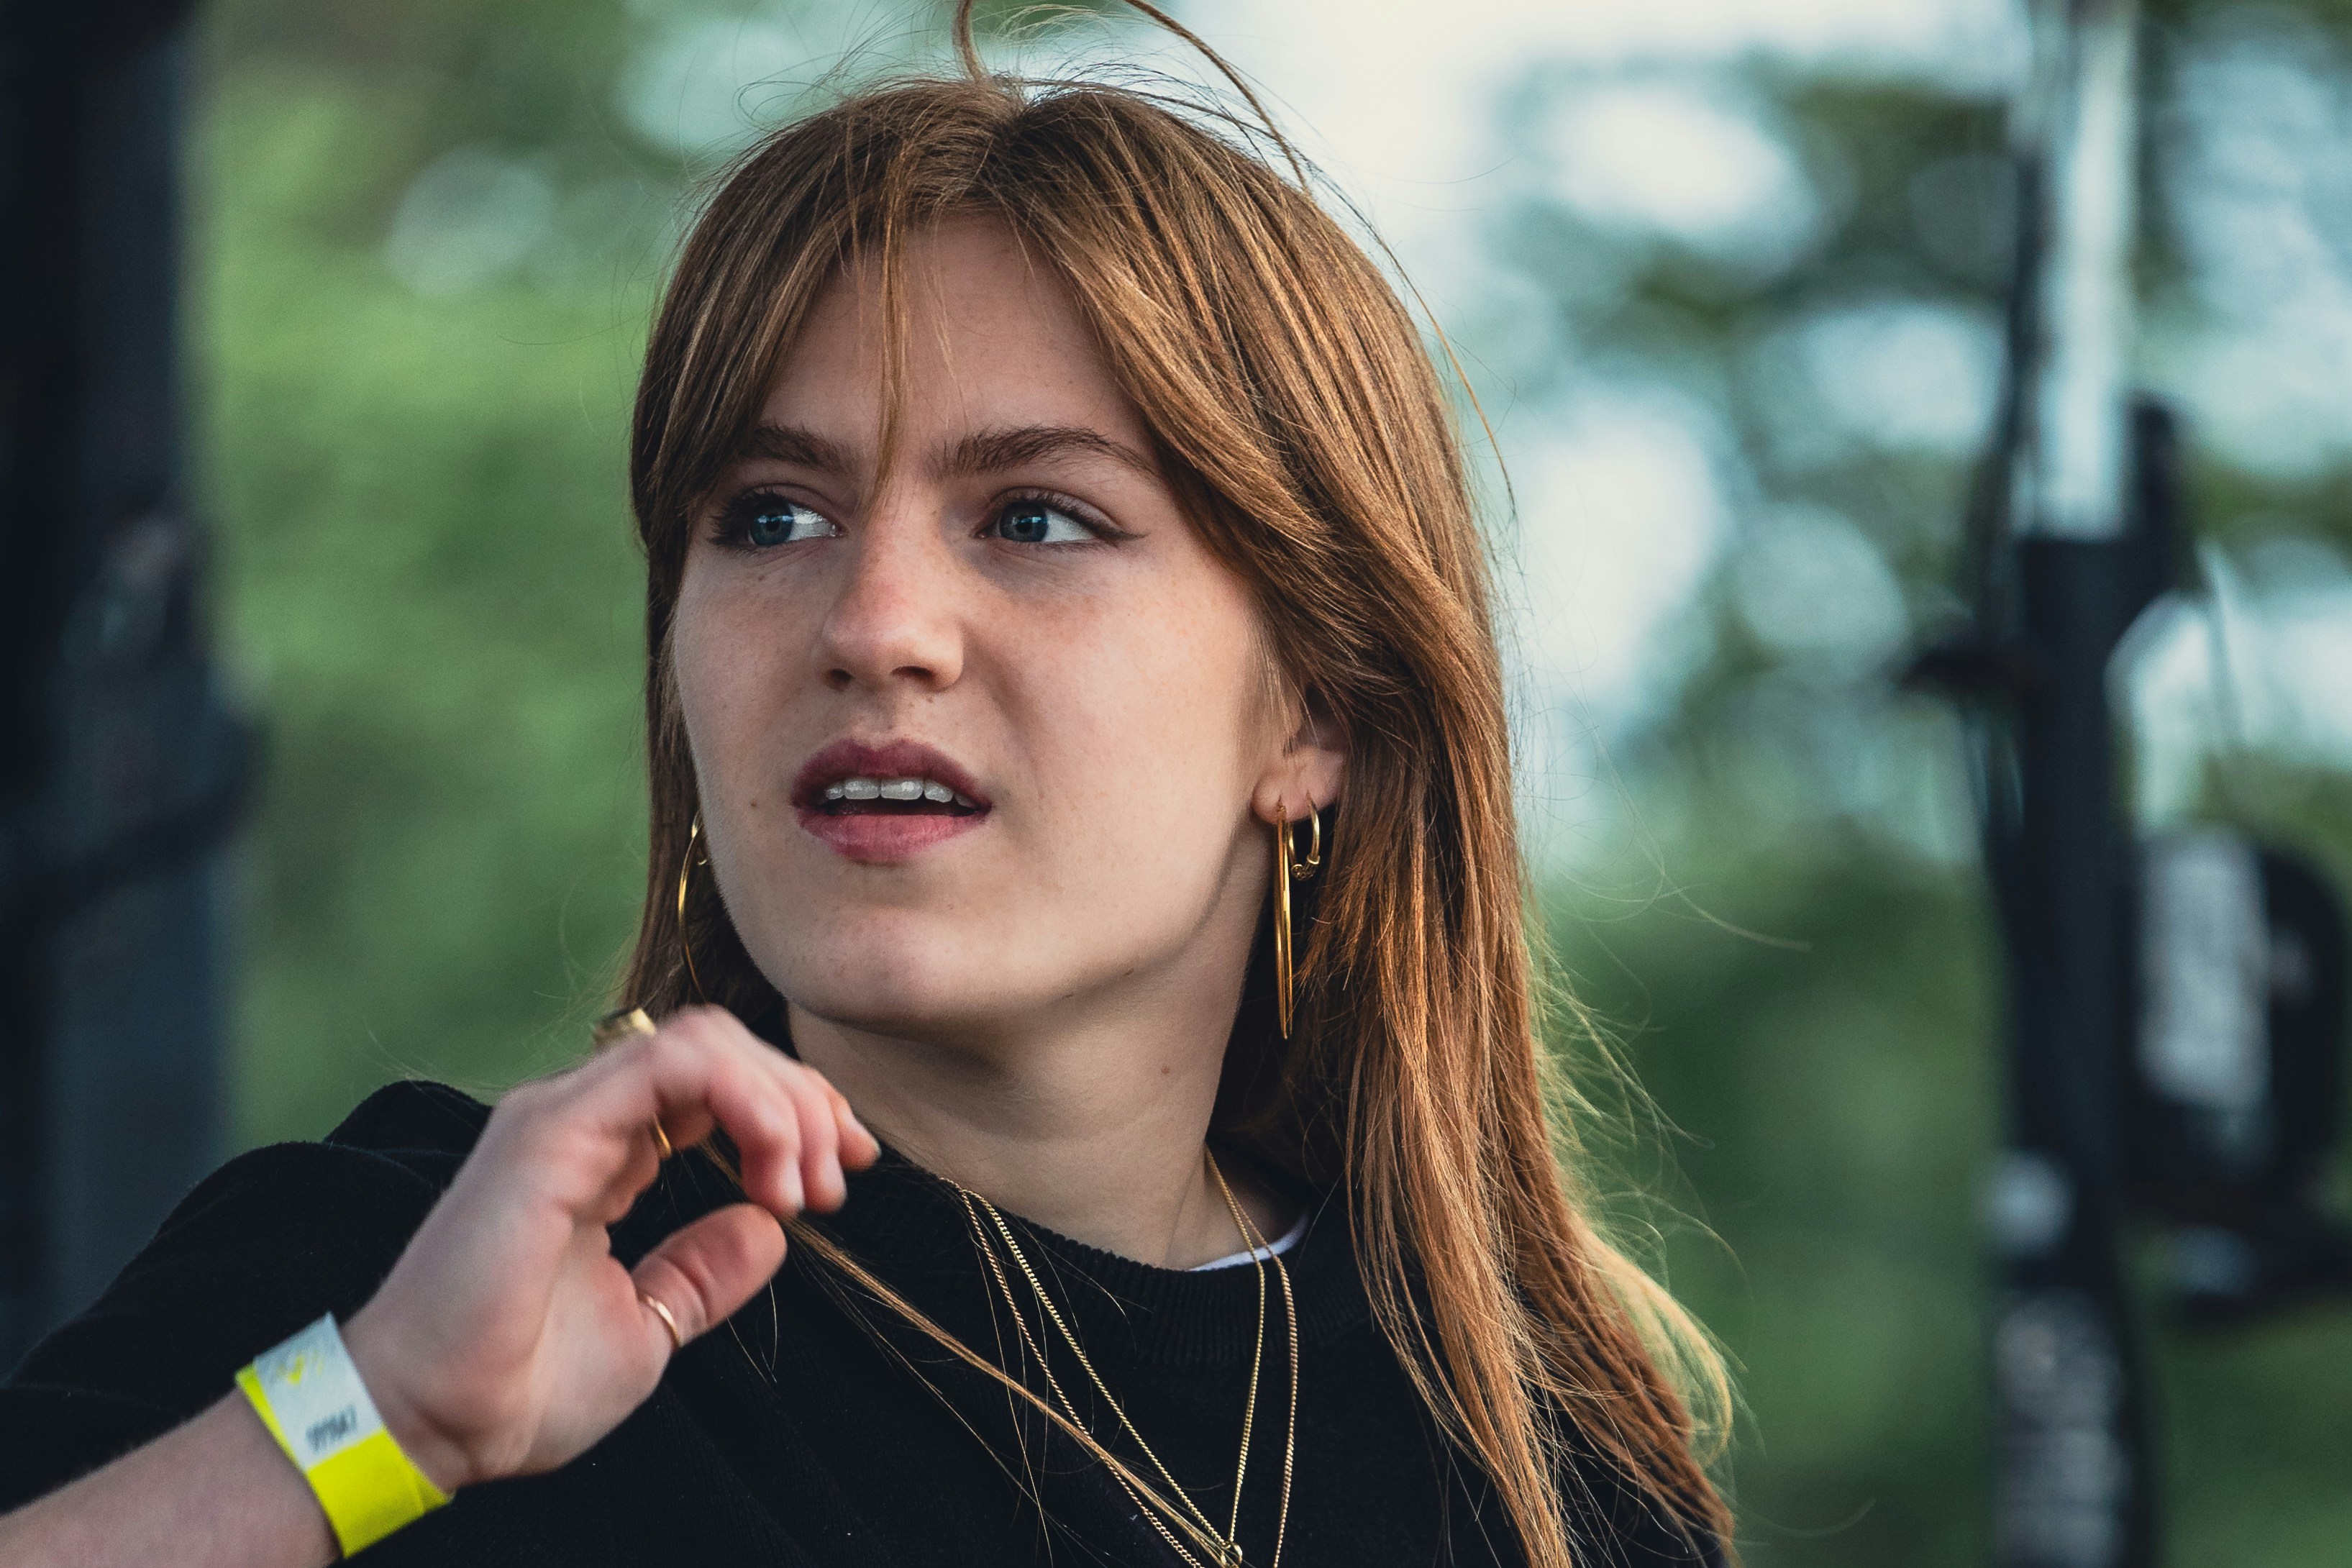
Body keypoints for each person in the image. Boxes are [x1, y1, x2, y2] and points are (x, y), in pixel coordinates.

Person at [0, 6, 1732, 1564]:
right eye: (769, 517)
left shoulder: (1549, 1482)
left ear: (1320, 712)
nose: (875, 625)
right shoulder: (403, 1283)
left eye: (1036, 519)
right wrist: (369, 1433)